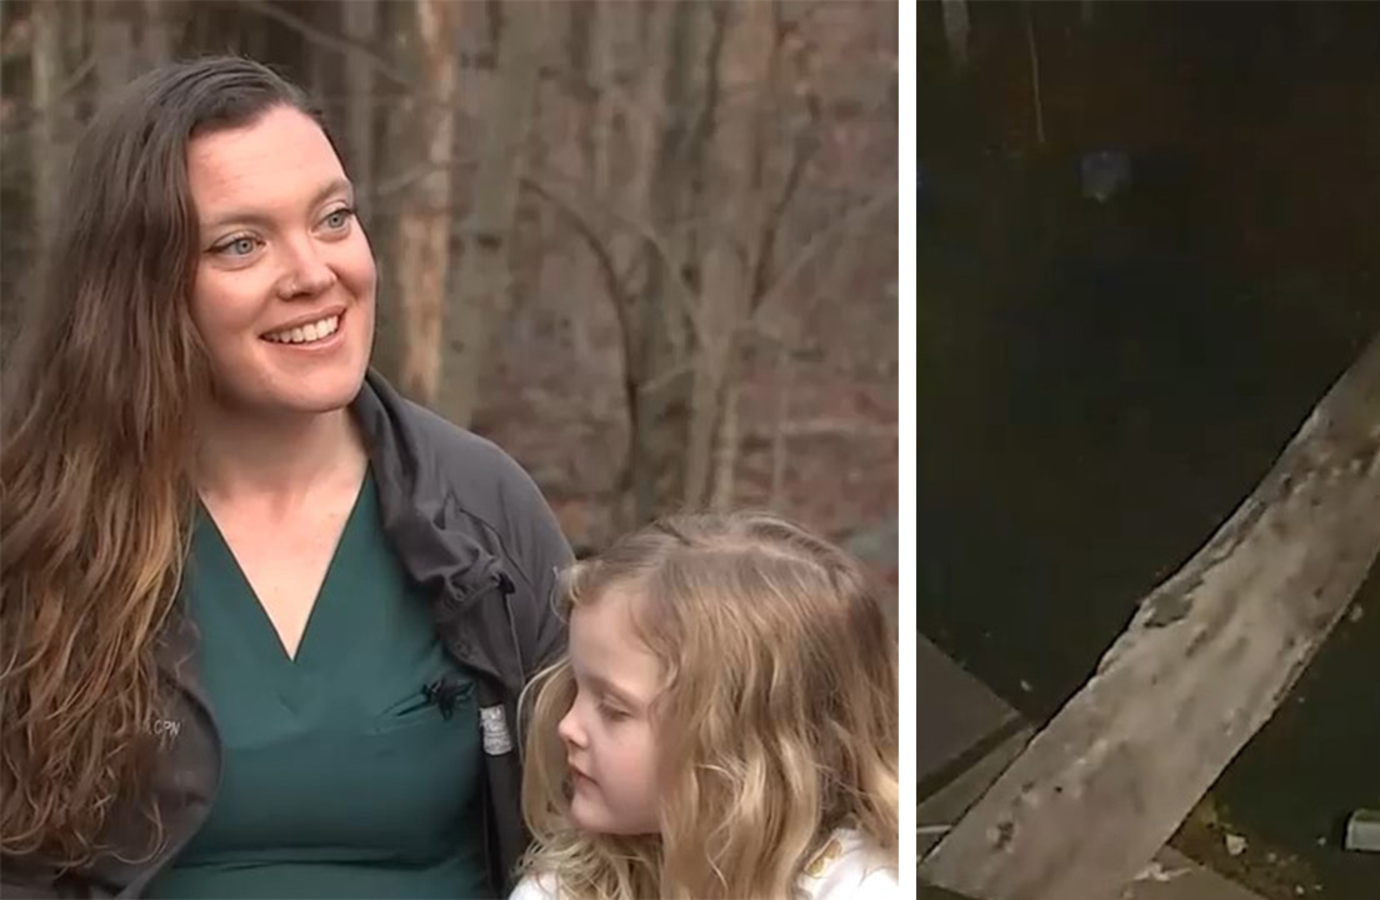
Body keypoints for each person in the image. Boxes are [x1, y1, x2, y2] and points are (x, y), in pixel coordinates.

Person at [0, 56, 571, 898]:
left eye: (334, 218)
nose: (313, 273)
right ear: (143, 292)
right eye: (241, 243)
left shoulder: (480, 511)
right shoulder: (43, 523)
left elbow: (608, 827)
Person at [512, 512, 898, 900]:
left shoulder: (861, 887)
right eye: (574, 687)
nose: (567, 726)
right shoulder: (573, 885)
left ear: (740, 745)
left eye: (613, 709)